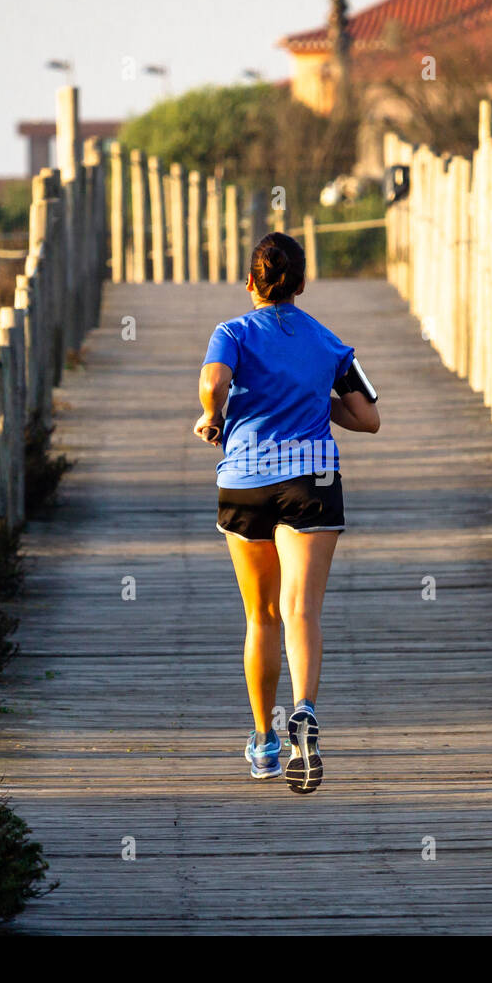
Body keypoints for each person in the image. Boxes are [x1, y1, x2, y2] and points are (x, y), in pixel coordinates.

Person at [193, 232, 379, 793]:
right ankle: (305, 708)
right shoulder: (329, 343)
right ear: (302, 284)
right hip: (312, 482)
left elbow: (213, 380)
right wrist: (308, 397)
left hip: (246, 482)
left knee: (262, 617)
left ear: (250, 283)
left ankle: (265, 743)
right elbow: (367, 417)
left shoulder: (231, 333)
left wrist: (212, 414)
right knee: (303, 611)